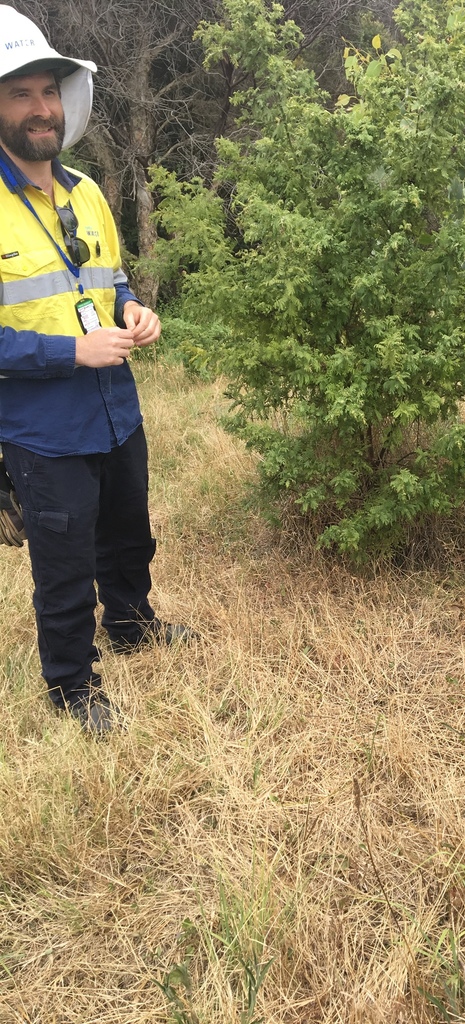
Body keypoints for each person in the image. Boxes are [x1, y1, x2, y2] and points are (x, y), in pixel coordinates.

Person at [0, 7, 192, 736]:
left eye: (47, 91)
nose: (40, 107)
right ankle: (72, 686)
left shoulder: (85, 190)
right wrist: (68, 352)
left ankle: (134, 626)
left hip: (116, 405)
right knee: (64, 558)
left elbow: (110, 285)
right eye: (19, 93)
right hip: (43, 428)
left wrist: (136, 310)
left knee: (126, 534)